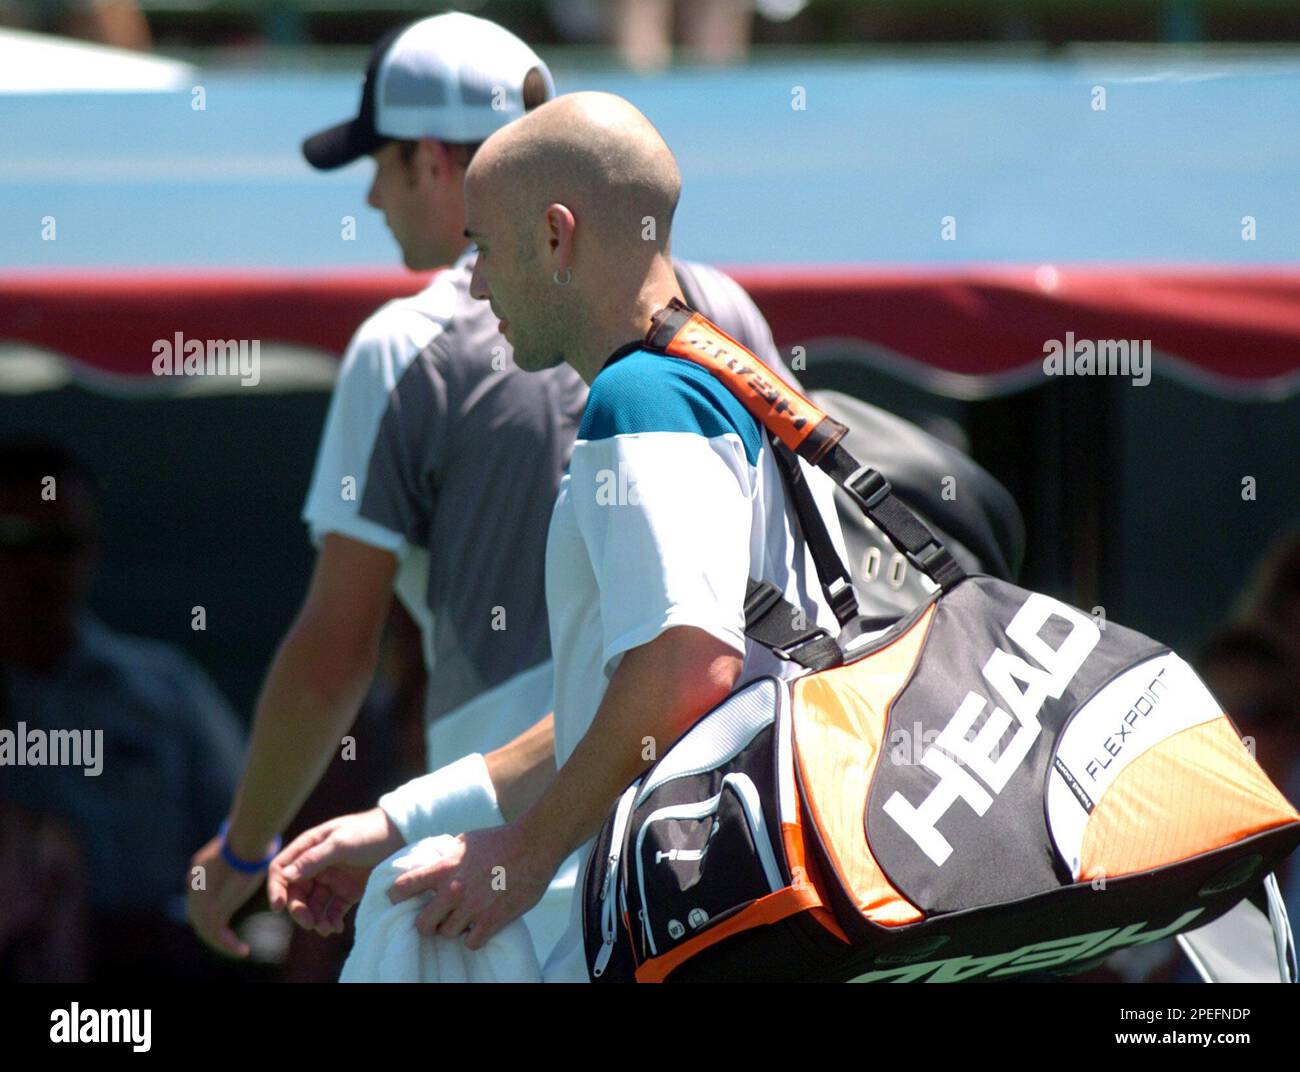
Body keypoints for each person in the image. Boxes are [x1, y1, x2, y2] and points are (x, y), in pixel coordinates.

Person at [186, 12, 813, 967]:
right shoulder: (719, 319)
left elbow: (685, 666)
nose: (475, 282)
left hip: (576, 894)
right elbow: (657, 671)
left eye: (383, 160)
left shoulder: (604, 384)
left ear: (435, 162)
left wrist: (514, 857)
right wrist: (409, 818)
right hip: (734, 868)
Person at [0, 442, 246, 981]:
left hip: (153, 968)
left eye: (61, 544)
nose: (39, 567)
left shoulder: (166, 688)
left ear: (92, 550)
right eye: (15, 542)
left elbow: (249, 832)